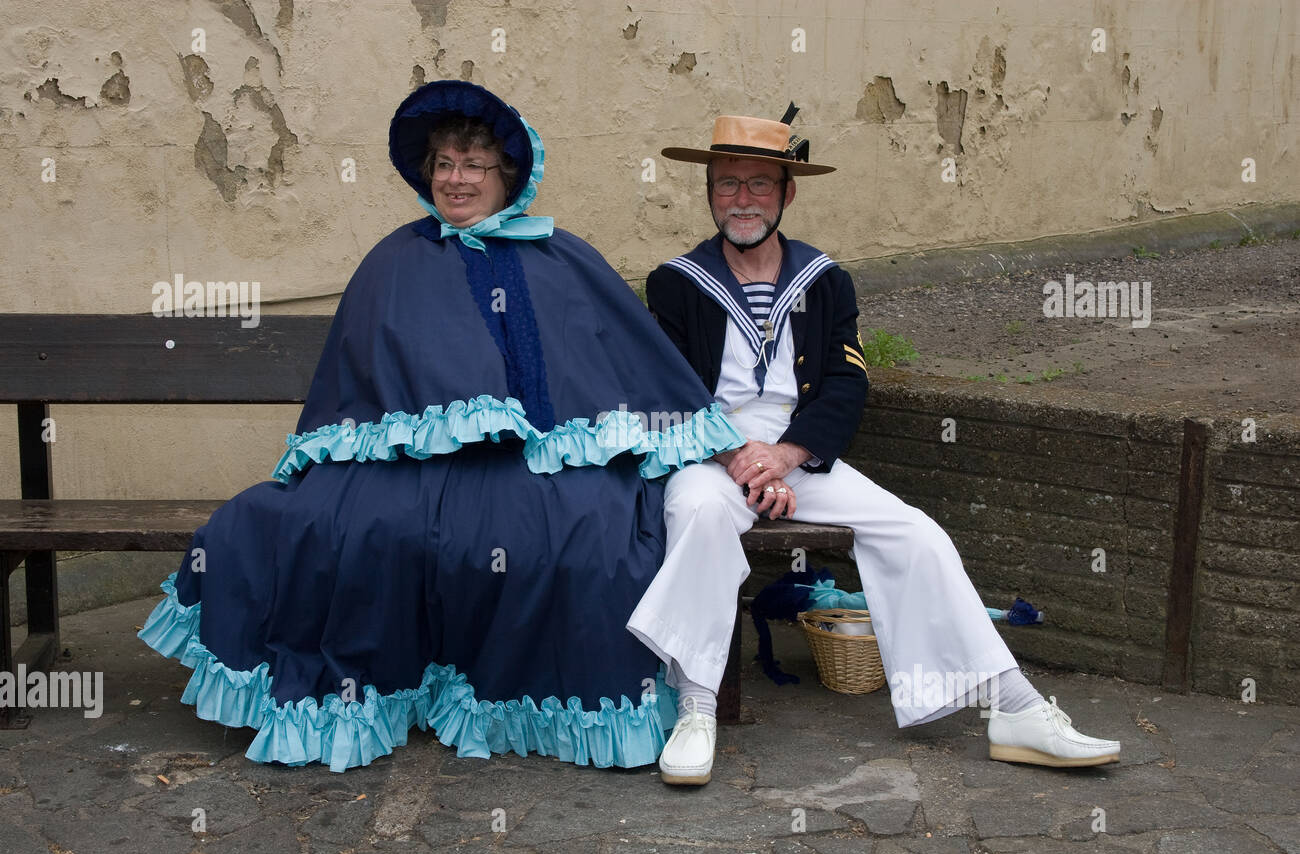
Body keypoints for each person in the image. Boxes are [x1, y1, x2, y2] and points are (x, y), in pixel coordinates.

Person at [138, 81, 743, 772]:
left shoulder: (563, 256)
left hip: (540, 469)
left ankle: (541, 698)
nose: (456, 179)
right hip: (408, 471)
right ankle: (376, 694)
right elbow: (361, 384)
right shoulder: (395, 260)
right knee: (325, 528)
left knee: (592, 538)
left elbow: (623, 361)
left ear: (508, 174)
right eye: (443, 164)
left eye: (473, 165)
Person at [626, 108, 1122, 785]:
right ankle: (694, 707)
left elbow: (844, 385)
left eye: (759, 185)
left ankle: (1013, 708)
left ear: (787, 193)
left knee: (915, 534)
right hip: (714, 456)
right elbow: (670, 389)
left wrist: (787, 456)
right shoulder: (676, 283)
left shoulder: (826, 280)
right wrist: (740, 455)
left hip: (800, 456)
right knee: (699, 514)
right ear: (709, 192)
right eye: (727, 185)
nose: (742, 200)